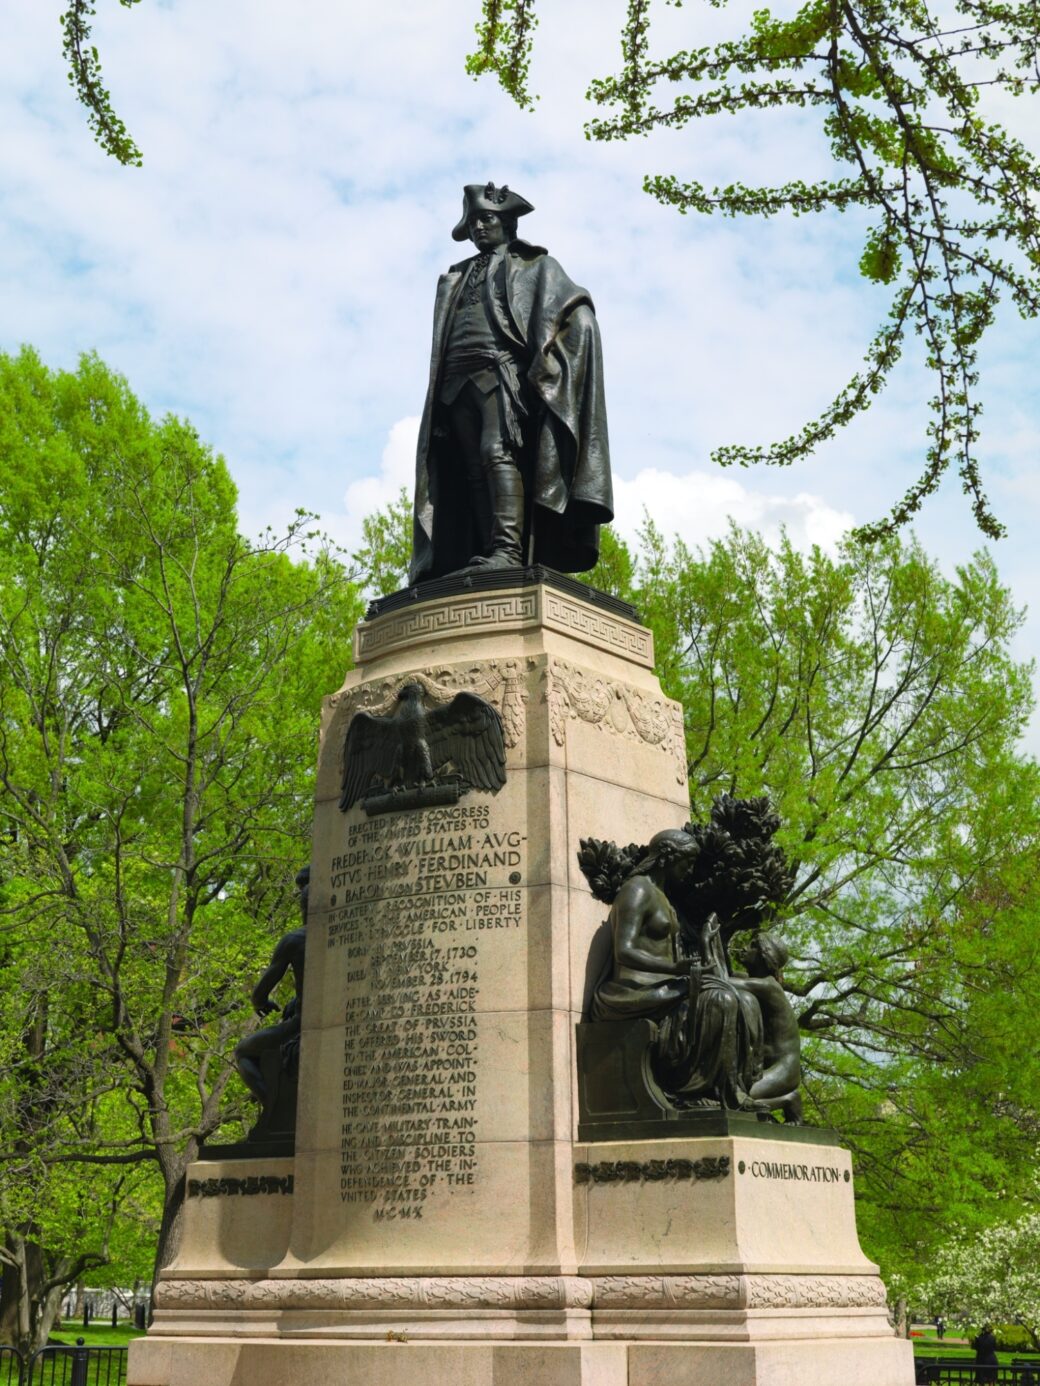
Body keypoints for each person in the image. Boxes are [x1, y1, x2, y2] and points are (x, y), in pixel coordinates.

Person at [410, 182, 614, 582]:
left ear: (508, 223)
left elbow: (572, 308)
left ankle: (508, 549)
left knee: (496, 452)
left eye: (486, 219)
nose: (478, 228)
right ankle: (488, 552)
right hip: (455, 379)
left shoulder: (535, 266)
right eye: (472, 223)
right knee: (470, 466)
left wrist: (571, 339)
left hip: (500, 372)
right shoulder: (457, 275)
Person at [592, 830, 764, 1109]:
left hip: (667, 983)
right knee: (721, 1000)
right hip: (634, 988)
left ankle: (735, 1088)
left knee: (747, 1000)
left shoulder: (665, 898)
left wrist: (705, 943)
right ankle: (694, 1089)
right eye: (687, 862)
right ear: (667, 858)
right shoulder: (636, 890)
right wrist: (674, 968)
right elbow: (623, 950)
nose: (689, 870)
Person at [234, 865, 308, 1106]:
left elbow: (259, 994)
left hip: (301, 1023)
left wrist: (261, 1003)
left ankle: (272, 1109)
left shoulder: (294, 940)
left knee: (243, 1051)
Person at [731, 932, 803, 1123]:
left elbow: (723, 980)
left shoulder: (768, 987)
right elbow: (728, 974)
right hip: (765, 1067)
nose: (746, 947)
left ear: (765, 956)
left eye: (753, 945)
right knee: (733, 1095)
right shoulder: (755, 981)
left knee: (734, 1099)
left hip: (784, 1069)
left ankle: (789, 1099)